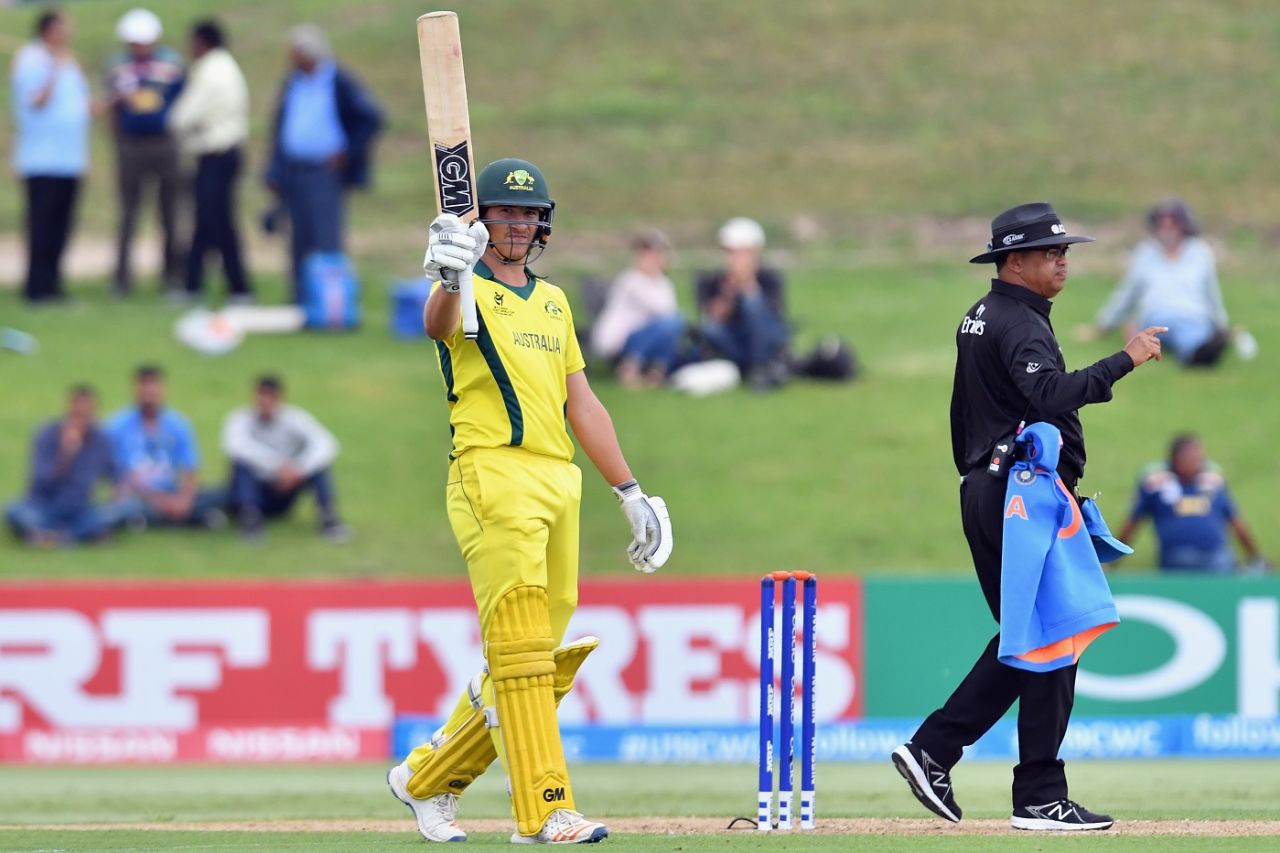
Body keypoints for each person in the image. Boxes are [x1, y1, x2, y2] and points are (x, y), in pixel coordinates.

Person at [386, 158, 672, 844]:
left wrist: (629, 489)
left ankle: (427, 777)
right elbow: (437, 325)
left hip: (558, 478)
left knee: (540, 660)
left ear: (543, 222)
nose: (516, 225)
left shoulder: (554, 301)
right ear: (482, 218)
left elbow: (582, 400)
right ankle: (546, 810)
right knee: (518, 652)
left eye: (527, 214)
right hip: (491, 471)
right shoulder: (463, 286)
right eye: (504, 213)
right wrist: (449, 273)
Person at [892, 203, 1165, 832]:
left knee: (1042, 641)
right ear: (1013, 260)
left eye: (1066, 251)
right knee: (1048, 637)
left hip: (992, 488)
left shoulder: (983, 315)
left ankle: (968, 763)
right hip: (1020, 494)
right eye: (1051, 252)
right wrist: (1125, 359)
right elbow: (1047, 394)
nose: (1064, 260)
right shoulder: (1018, 323)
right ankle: (1006, 780)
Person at [264, 24, 383, 301]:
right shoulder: (293, 82)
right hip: (295, 169)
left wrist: (348, 153)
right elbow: (281, 126)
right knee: (298, 238)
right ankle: (300, 298)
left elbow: (370, 118)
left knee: (326, 237)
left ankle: (332, 302)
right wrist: (274, 168)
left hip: (324, 173)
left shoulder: (339, 80)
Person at [1087, 199, 1233, 366]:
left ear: (1183, 225)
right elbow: (1126, 294)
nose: (1167, 230)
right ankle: (1197, 353)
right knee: (1175, 329)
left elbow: (1211, 294)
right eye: (1162, 224)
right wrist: (1104, 325)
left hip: (1194, 315)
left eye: (1172, 224)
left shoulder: (1200, 252)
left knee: (1193, 328)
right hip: (1157, 315)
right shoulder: (1145, 254)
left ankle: (1201, 350)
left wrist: (1222, 325)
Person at [168, 19, 252, 304]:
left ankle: (239, 287)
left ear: (202, 42)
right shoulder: (227, 67)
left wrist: (176, 124)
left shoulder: (211, 70)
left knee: (218, 223)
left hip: (216, 155)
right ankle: (193, 284)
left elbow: (183, 116)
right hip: (224, 154)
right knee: (205, 222)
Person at [10, 8, 90, 304]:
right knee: (41, 227)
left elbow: (78, 106)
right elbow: (37, 101)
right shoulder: (32, 59)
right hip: (42, 160)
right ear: (49, 29)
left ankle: (54, 286)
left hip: (70, 160)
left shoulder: (69, 62)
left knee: (61, 228)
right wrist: (54, 68)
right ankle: (36, 287)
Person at [105, 8, 186, 295]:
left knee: (170, 214)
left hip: (164, 144)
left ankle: (173, 276)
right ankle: (121, 280)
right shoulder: (118, 67)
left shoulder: (171, 64)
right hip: (131, 145)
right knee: (128, 214)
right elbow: (111, 108)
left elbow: (182, 101)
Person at [220, 375, 348, 543]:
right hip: (257, 486)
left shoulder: (295, 419)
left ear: (280, 398)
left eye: (269, 396)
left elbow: (326, 443)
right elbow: (235, 447)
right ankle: (250, 521)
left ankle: (329, 518)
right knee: (241, 466)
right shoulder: (240, 419)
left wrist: (299, 469)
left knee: (319, 467)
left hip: (286, 488)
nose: (264, 401)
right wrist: (277, 466)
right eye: (260, 395)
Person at [1116, 434, 1268, 574]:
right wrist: (1112, 560)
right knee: (1186, 559)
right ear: (1174, 459)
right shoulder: (1156, 484)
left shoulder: (1212, 482)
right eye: (1190, 457)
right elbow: (1132, 523)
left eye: (1199, 457)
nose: (1196, 462)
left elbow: (1236, 521)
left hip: (1216, 553)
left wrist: (1255, 556)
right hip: (1177, 556)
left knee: (1225, 563)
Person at [5, 385, 136, 546]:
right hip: (45, 508)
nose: (79, 421)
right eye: (76, 414)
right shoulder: (47, 435)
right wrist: (65, 455)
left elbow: (116, 474)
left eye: (85, 415)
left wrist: (121, 489)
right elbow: (40, 482)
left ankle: (54, 537)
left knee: (127, 508)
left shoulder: (100, 440)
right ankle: (86, 534)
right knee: (13, 510)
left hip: (81, 509)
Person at [107, 365, 225, 529]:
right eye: (144, 385)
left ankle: (150, 519)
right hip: (138, 493)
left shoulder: (178, 424)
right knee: (125, 504)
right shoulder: (117, 425)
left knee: (218, 494)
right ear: (135, 390)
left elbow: (190, 469)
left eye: (153, 385)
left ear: (163, 389)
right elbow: (117, 476)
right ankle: (191, 518)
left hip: (171, 490)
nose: (148, 391)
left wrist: (184, 500)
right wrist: (159, 501)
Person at [695, 217, 790, 389]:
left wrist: (748, 285)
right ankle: (756, 367)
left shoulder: (770, 278)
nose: (736, 258)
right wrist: (731, 290)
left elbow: (772, 316)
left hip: (764, 339)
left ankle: (759, 367)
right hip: (732, 339)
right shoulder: (710, 280)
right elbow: (712, 317)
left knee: (751, 302)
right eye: (732, 252)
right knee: (708, 328)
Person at [590, 228, 684, 387]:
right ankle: (630, 368)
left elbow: (669, 315)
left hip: (647, 339)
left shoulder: (663, 283)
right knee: (672, 322)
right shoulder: (630, 280)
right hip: (619, 341)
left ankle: (656, 372)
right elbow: (661, 310)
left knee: (673, 325)